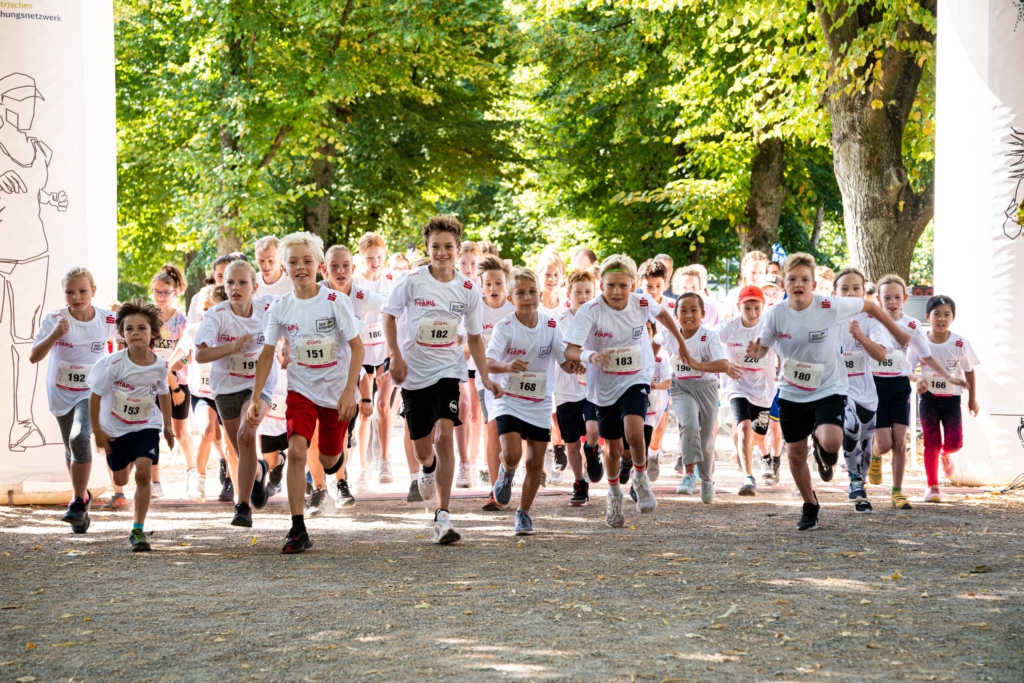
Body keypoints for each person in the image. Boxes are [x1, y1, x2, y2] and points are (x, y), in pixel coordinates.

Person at [744, 253, 927, 531]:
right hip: (793, 390)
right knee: (794, 455)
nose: (799, 284)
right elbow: (762, 349)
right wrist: (755, 351)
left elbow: (871, 306)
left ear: (814, 283)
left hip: (829, 385)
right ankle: (810, 504)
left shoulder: (829, 305)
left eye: (805, 279)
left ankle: (823, 450)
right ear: (784, 284)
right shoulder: (775, 315)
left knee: (831, 443)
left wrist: (899, 334)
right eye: (792, 279)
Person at [382, 215, 504, 544]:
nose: (442, 252)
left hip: (448, 370)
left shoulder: (467, 289)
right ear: (427, 247)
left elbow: (476, 339)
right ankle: (426, 467)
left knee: (446, 434)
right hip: (413, 374)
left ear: (457, 248)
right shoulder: (411, 281)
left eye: (448, 246)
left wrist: (487, 378)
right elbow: (389, 315)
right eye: (435, 246)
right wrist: (395, 354)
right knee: (424, 449)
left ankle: (443, 517)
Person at [250, 231, 364, 553]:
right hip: (301, 389)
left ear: (318, 266)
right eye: (294, 262)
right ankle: (297, 528)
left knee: (328, 461)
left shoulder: (336, 302)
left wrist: (349, 391)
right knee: (297, 450)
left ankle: (339, 453)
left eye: (307, 261)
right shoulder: (280, 307)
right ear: (284, 268)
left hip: (335, 390)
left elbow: (357, 349)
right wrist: (258, 396)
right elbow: (267, 353)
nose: (301, 267)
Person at [563, 254, 688, 526]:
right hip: (605, 384)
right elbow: (570, 349)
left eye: (623, 286)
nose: (617, 292)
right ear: (601, 285)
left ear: (633, 285)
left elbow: (664, 315)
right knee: (614, 448)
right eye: (610, 286)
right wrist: (589, 356)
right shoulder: (591, 310)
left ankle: (641, 479)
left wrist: (681, 343)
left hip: (636, 376)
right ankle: (613, 494)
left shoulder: (642, 302)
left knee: (634, 430)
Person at [30, 267, 118, 533]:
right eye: (70, 292)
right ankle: (83, 501)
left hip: (91, 391)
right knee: (71, 448)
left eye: (82, 291)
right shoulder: (55, 319)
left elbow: (133, 339)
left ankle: (77, 502)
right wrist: (56, 334)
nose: (77, 297)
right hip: (60, 390)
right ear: (64, 293)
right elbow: (34, 356)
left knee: (80, 438)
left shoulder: (107, 319)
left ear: (93, 290)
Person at [486, 268, 571, 535]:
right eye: (520, 293)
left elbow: (563, 359)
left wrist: (577, 366)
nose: (528, 297)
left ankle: (523, 514)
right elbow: (487, 362)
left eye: (532, 291)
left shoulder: (551, 325)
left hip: (539, 400)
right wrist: (507, 366)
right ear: (510, 298)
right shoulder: (505, 327)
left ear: (540, 294)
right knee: (513, 454)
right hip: (509, 398)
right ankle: (506, 471)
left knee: (535, 463)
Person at [195, 259, 279, 527]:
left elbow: (291, 326)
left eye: (243, 282)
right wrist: (232, 348)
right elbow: (200, 354)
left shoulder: (268, 308)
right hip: (225, 387)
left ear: (255, 287)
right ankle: (258, 471)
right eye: (230, 282)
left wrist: (286, 345)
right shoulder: (216, 314)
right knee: (242, 449)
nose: (236, 287)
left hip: (259, 384)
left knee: (246, 433)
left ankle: (242, 507)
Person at [869, 274, 964, 507]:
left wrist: (949, 375)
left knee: (900, 442)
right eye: (887, 297)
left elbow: (926, 356)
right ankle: (875, 454)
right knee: (885, 443)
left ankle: (897, 491)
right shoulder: (870, 320)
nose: (892, 301)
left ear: (905, 298)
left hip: (899, 386)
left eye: (897, 297)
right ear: (879, 299)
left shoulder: (911, 325)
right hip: (875, 386)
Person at [87, 299, 174, 551]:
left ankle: (137, 531)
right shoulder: (115, 364)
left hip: (147, 425)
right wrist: (98, 430)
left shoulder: (159, 363)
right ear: (122, 334)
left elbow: (164, 393)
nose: (135, 333)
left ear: (153, 332)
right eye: (129, 329)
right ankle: (131, 458)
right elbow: (95, 395)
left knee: (144, 474)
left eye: (142, 328)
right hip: (116, 428)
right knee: (121, 478)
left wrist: (167, 427)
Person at [323, 244, 386, 498]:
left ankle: (340, 481)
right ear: (323, 268)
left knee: (341, 434)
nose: (340, 271)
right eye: (334, 266)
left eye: (345, 266)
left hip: (348, 375)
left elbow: (392, 308)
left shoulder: (362, 296)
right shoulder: (314, 293)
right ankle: (317, 482)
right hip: (315, 375)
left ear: (353, 268)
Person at [656, 293, 730, 502]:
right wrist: (650, 362)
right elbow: (655, 341)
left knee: (706, 439)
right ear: (675, 314)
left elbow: (723, 365)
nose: (688, 315)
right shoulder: (669, 334)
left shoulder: (709, 336)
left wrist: (697, 365)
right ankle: (688, 475)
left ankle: (706, 479)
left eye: (694, 310)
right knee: (688, 426)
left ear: (703, 314)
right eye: (683, 311)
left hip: (706, 387)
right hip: (681, 387)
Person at [833, 267, 895, 513]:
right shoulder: (825, 317)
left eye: (855, 288)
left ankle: (861, 485)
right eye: (844, 289)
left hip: (867, 394)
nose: (850, 293)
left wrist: (860, 335)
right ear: (834, 292)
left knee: (866, 446)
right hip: (837, 388)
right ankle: (854, 482)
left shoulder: (871, 318)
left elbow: (880, 354)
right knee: (851, 426)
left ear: (863, 291)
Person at [909, 295, 979, 503]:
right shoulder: (919, 342)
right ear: (927, 317)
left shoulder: (960, 343)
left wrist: (972, 399)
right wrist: (915, 382)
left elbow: (969, 371)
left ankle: (945, 454)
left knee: (955, 443)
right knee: (931, 442)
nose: (941, 319)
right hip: (928, 399)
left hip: (951, 400)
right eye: (936, 314)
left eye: (946, 314)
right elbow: (909, 369)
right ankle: (933, 487)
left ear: (953, 318)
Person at [167, 284, 229, 503]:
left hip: (228, 392)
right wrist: (176, 365)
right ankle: (199, 479)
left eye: (211, 309)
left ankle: (237, 486)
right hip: (202, 393)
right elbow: (176, 358)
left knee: (231, 444)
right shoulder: (193, 330)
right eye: (203, 309)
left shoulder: (230, 331)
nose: (205, 314)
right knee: (206, 431)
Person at [717, 285, 776, 496]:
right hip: (737, 384)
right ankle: (748, 479)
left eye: (757, 308)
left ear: (764, 306)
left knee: (759, 436)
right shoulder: (728, 327)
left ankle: (748, 448)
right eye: (747, 308)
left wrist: (781, 369)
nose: (752, 314)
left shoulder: (770, 326)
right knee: (743, 427)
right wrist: (724, 364)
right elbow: (710, 343)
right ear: (738, 307)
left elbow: (785, 350)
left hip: (764, 389)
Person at [554, 269, 603, 506]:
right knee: (571, 443)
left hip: (591, 388)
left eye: (588, 292)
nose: (583, 296)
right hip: (565, 390)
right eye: (578, 292)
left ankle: (592, 450)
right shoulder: (559, 321)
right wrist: (573, 363)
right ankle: (579, 482)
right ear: (568, 294)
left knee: (593, 432)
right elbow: (559, 351)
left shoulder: (597, 318)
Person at [354, 232, 398, 486]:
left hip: (384, 351)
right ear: (362, 257)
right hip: (361, 354)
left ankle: (384, 460)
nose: (374, 262)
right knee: (365, 411)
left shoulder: (392, 280)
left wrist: (393, 354)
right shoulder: (355, 281)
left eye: (379, 257)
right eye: (369, 257)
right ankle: (362, 465)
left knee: (383, 406)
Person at [475, 256, 516, 510]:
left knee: (512, 439)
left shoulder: (515, 308)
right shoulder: (475, 309)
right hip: (487, 380)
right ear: (481, 286)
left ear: (506, 285)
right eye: (488, 284)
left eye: (498, 283)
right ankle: (495, 490)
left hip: (516, 380)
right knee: (492, 431)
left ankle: (507, 473)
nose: (493, 289)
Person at [150, 265, 190, 501]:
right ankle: (155, 482)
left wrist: (180, 362)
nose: (161, 297)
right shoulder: (146, 319)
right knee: (151, 431)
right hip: (151, 385)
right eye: (157, 291)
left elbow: (191, 354)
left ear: (175, 293)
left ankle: (193, 472)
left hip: (179, 383)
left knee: (181, 433)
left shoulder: (182, 321)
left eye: (166, 292)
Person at [455, 241, 485, 488]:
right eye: (463, 263)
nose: (468, 268)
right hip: (459, 357)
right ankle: (463, 463)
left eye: (473, 264)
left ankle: (473, 463)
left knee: (477, 414)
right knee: (462, 407)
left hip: (480, 358)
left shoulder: (485, 289)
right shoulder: (453, 286)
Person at [724, 251, 769, 317]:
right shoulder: (734, 294)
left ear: (766, 272)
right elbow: (724, 320)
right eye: (753, 272)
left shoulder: (770, 295)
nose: (756, 276)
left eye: (760, 272)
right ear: (745, 271)